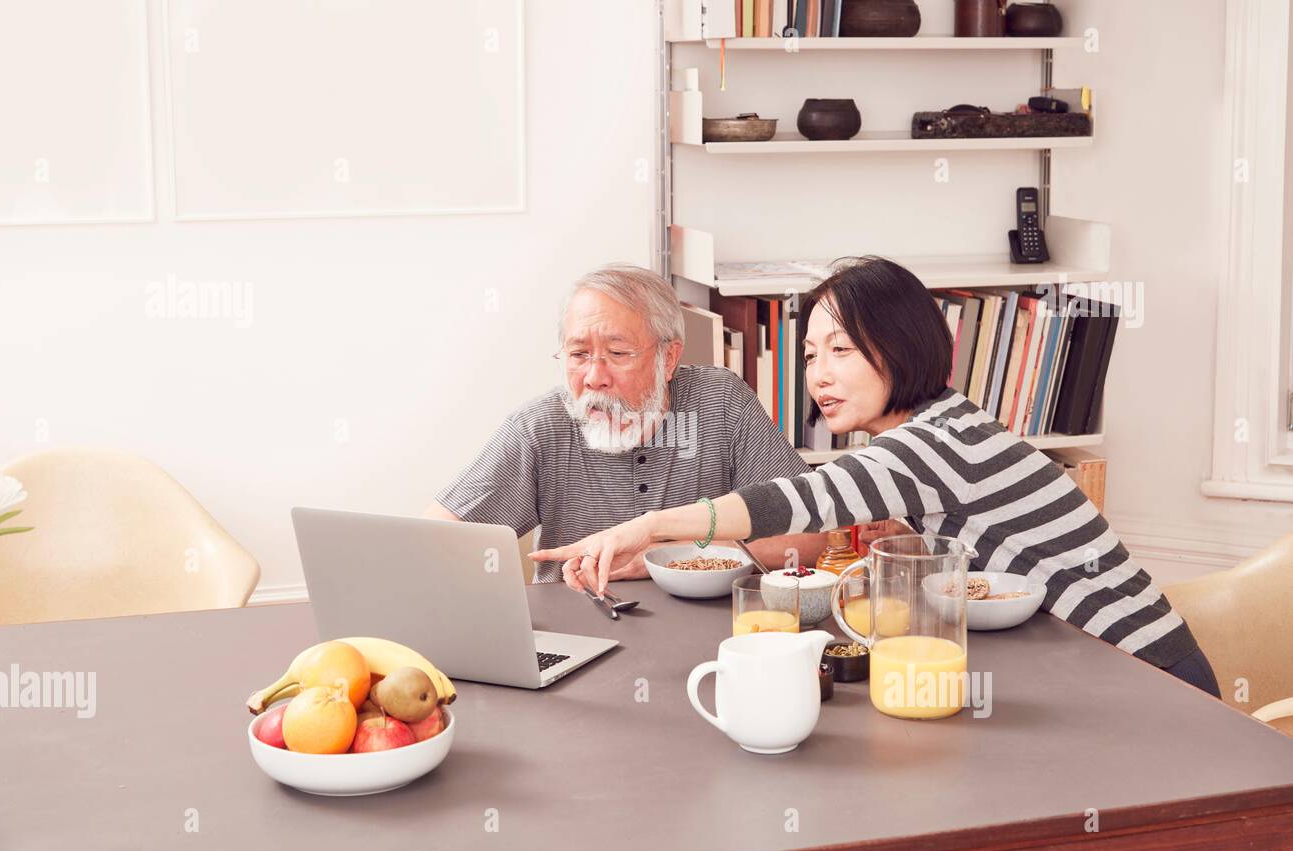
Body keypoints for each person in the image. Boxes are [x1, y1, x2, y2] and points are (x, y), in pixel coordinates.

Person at [531, 256, 1222, 698]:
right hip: (1102, 673)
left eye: (842, 350)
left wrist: (647, 528)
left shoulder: (935, 443)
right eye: (809, 354)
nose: (819, 375)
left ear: (899, 348)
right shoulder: (947, 429)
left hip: (1155, 683)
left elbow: (798, 503)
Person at [426, 264, 825, 583]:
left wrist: (668, 554)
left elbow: (808, 539)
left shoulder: (720, 402)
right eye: (578, 354)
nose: (594, 377)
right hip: (576, 634)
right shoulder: (540, 426)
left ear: (668, 360)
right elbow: (430, 546)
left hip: (707, 636)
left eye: (617, 353)